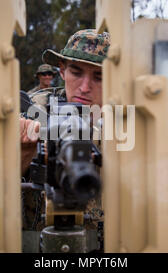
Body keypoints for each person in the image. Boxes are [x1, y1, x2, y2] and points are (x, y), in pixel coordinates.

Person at [20, 29, 110, 253]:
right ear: (62, 70)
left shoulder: (127, 122)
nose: (85, 87)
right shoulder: (32, 111)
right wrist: (22, 156)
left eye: (99, 76)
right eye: (76, 72)